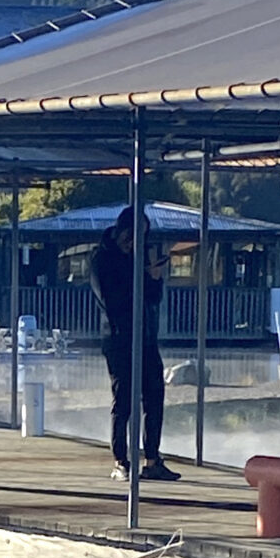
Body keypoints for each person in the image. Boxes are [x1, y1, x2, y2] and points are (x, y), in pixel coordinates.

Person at [90, 206, 179, 483]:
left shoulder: (138, 257)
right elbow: (111, 301)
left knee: (154, 396)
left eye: (141, 236)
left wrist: (154, 278)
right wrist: (139, 279)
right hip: (118, 338)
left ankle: (152, 458)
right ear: (121, 232)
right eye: (132, 236)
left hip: (146, 336)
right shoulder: (102, 259)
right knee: (124, 400)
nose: (135, 242)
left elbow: (152, 298)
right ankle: (120, 460)